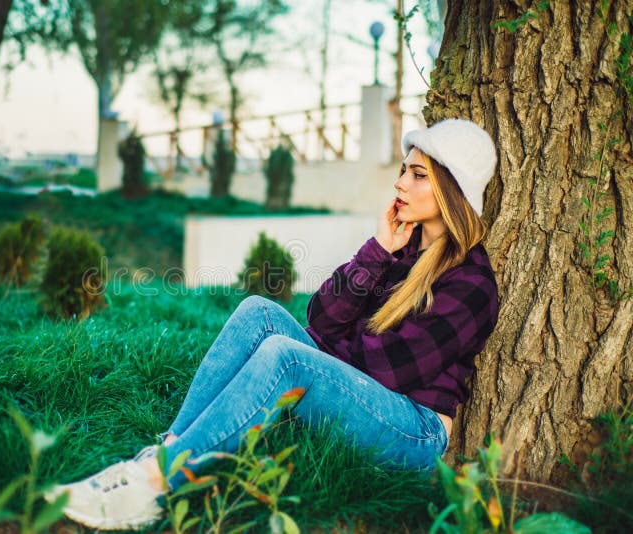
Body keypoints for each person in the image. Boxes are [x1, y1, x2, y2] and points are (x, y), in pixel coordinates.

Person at [45, 118, 501, 530]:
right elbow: (320, 318)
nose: (400, 183)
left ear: (451, 190)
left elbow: (389, 370)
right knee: (259, 312)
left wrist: (317, 352)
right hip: (371, 393)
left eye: (418, 175)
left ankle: (158, 480)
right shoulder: (399, 248)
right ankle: (167, 451)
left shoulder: (471, 284)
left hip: (413, 431)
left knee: (286, 357)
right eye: (404, 170)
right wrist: (377, 251)